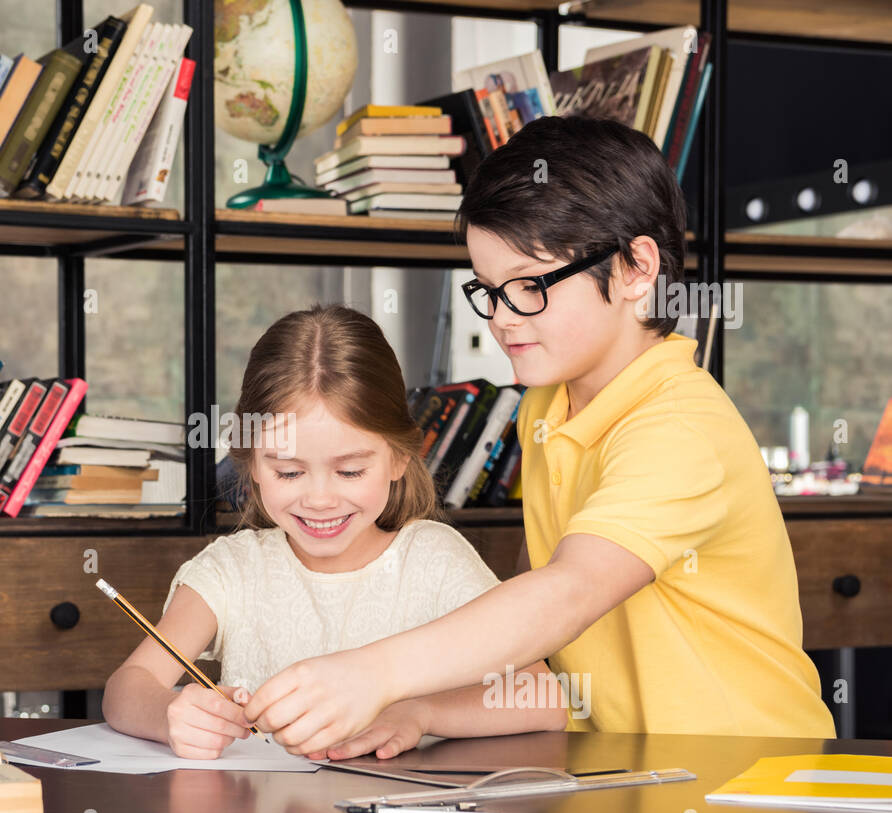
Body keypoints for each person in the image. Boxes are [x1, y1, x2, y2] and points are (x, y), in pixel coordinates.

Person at [244, 115, 837, 755]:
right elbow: (544, 635)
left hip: (744, 786)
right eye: (488, 290)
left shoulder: (679, 426)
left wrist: (374, 672)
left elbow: (567, 593)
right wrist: (423, 712)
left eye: (529, 286)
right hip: (623, 773)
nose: (500, 319)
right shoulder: (547, 407)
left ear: (638, 268)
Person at [102, 303, 565, 759]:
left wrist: (419, 713)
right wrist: (172, 715)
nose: (320, 499)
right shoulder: (233, 569)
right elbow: (128, 687)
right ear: (253, 464)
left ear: (400, 457)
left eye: (349, 472)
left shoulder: (433, 560)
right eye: (289, 473)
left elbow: (542, 698)